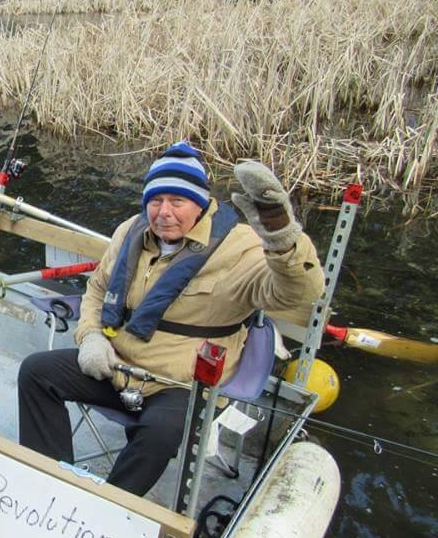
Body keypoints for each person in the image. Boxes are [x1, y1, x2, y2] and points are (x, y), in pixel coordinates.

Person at [18, 142, 325, 496]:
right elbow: (98, 290)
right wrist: (89, 336)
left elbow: (298, 293)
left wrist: (280, 234)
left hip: (180, 384)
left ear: (201, 203)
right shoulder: (129, 232)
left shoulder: (241, 247)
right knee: (36, 373)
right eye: (155, 200)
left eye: (177, 202)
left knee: (159, 433)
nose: (164, 212)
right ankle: (48, 484)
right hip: (117, 364)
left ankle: (107, 508)